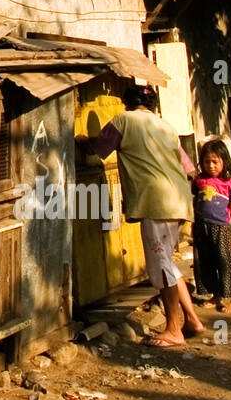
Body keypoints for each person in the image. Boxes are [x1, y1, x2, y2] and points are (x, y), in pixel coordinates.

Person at [85, 83, 204, 347]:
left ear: (127, 103)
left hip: (155, 200)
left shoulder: (124, 120)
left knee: (160, 266)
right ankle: (192, 320)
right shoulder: (166, 126)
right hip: (178, 199)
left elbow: (98, 152)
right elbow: (187, 165)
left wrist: (85, 140)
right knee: (168, 263)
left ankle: (174, 329)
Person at [191, 139, 231, 313]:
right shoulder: (199, 181)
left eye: (215, 162)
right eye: (207, 162)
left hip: (221, 228)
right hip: (201, 227)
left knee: (226, 262)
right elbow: (195, 201)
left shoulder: (230, 184)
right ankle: (216, 295)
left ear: (224, 162)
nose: (211, 166)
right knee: (206, 261)